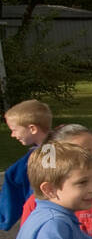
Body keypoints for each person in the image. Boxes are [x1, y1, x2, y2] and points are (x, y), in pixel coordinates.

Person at [2, 99, 52, 231]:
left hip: (43, 213)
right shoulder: (49, 148)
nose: (13, 135)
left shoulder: (48, 153)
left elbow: (49, 183)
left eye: (14, 130)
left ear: (32, 129)